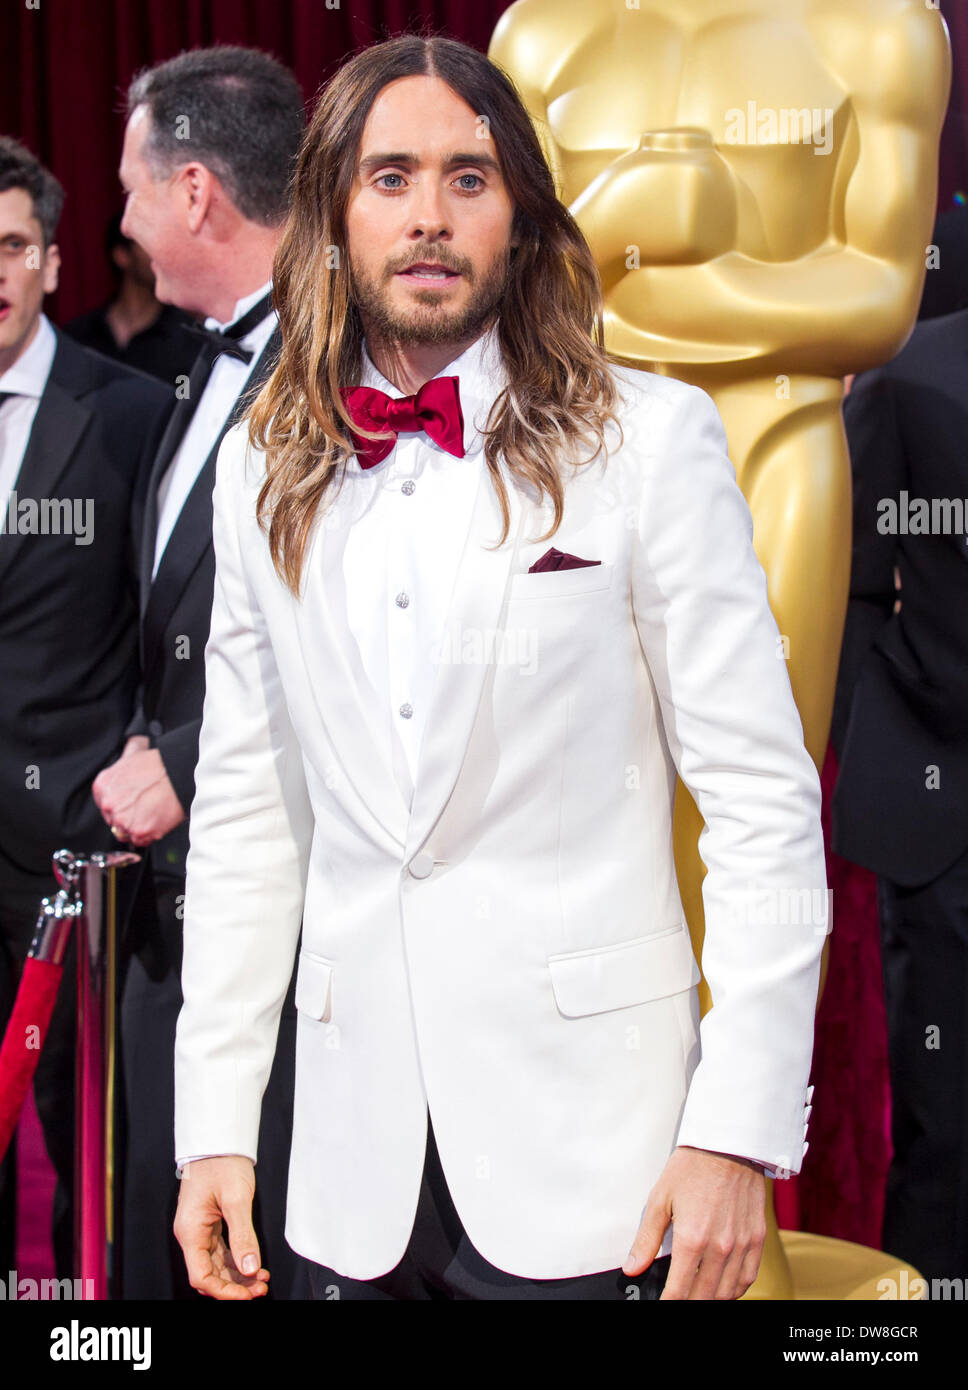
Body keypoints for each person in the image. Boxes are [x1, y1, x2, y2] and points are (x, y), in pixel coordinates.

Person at [172, 34, 826, 1302]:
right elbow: (250, 816)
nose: (428, 216)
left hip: (602, 1170)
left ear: (519, 212)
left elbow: (760, 801)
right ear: (330, 213)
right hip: (350, 1172)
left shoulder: (648, 441)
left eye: (468, 178)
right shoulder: (262, 465)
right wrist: (215, 1122)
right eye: (390, 177)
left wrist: (735, 1127)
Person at [90, 45, 307, 1300]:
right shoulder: (202, 368)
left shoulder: (334, 379)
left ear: (191, 193)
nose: (118, 219)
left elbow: (333, 632)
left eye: (127, 189)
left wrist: (178, 761)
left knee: (245, 1248)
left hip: (272, 912)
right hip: (170, 913)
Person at [0, 135, 171, 1277]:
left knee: (89, 1168)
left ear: (54, 262)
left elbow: (169, 632)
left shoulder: (128, 415)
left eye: (8, 246)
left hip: (66, 865)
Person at [831, 305, 968, 1284]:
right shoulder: (910, 371)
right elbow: (845, 585)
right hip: (942, 815)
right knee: (942, 1128)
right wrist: (859, 739)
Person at [64, 212, 199, 385]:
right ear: (122, 256)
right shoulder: (78, 336)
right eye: (148, 242)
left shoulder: (188, 338)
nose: (161, 253)